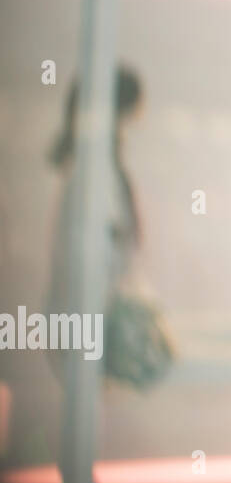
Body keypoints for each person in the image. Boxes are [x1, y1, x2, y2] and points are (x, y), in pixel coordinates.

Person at [46, 64, 174, 392]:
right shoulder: (91, 178)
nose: (130, 132)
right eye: (128, 121)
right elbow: (90, 262)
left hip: (92, 330)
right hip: (87, 330)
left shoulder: (98, 174)